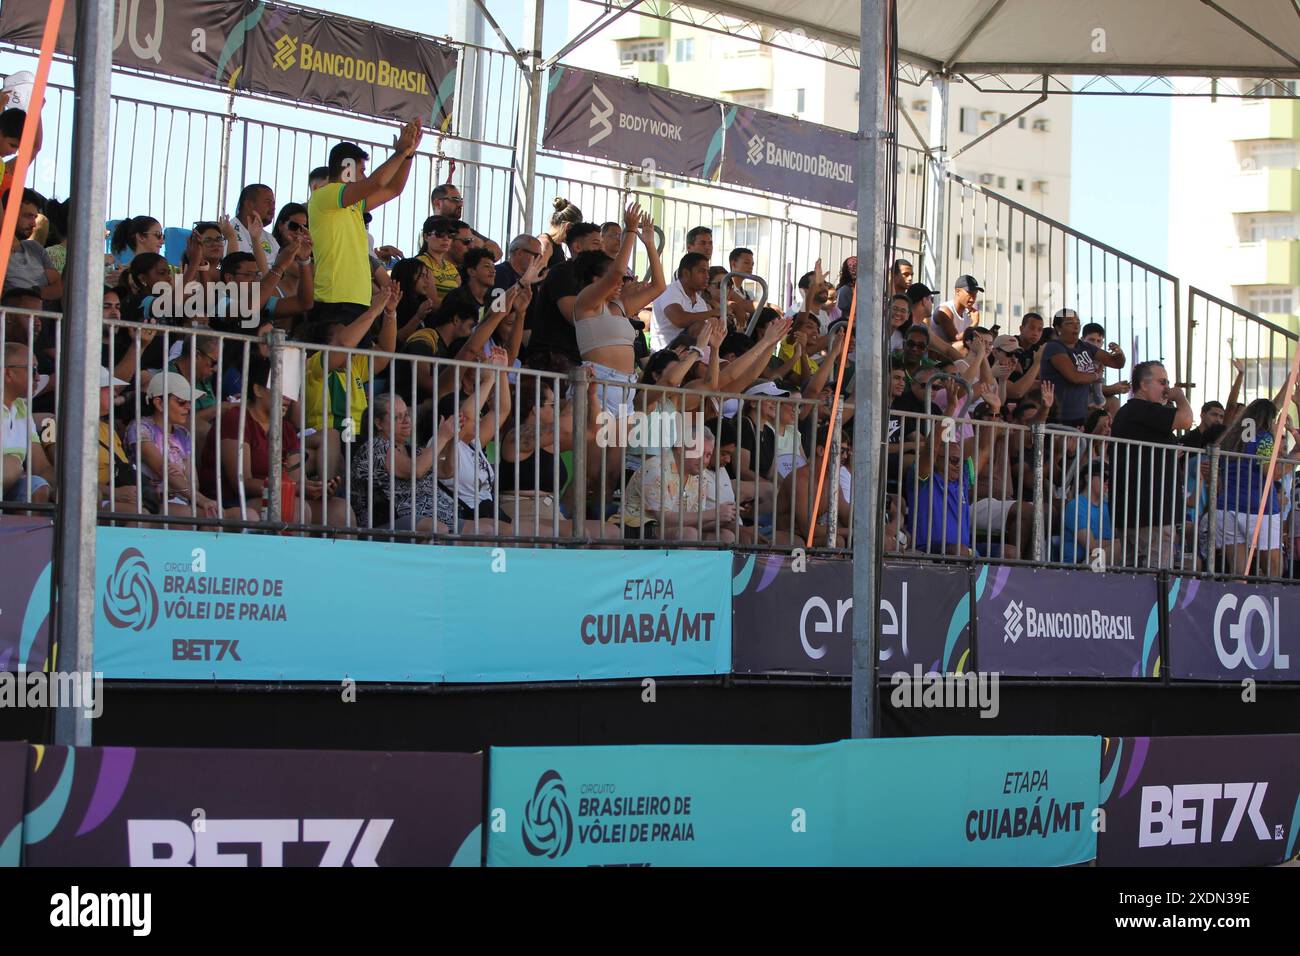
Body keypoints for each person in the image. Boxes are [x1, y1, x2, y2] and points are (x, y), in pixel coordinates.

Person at [199, 351, 349, 526]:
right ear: (258, 390)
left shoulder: (285, 428)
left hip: (279, 496)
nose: (288, 398)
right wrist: (293, 489)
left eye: (291, 391)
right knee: (295, 508)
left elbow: (295, 478)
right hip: (234, 503)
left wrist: (313, 489)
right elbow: (242, 483)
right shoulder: (236, 418)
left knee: (340, 510)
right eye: (281, 389)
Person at [307, 122, 422, 326]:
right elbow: (377, 183)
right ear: (347, 168)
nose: (365, 176)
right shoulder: (325, 195)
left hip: (358, 301)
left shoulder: (355, 204)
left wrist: (408, 155)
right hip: (334, 301)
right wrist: (400, 153)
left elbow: (394, 189)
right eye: (362, 170)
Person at [572, 204, 666, 416]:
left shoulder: (619, 306)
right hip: (599, 384)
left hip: (626, 387)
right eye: (616, 280)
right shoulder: (585, 302)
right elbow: (616, 273)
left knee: (616, 448)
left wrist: (650, 245)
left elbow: (659, 286)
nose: (621, 283)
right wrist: (630, 231)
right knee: (595, 447)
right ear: (595, 281)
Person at [1110, 360, 1194, 569]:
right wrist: (1180, 397)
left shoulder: (1133, 413)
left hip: (1137, 510)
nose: (1167, 388)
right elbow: (1185, 420)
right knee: (1155, 575)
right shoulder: (1141, 409)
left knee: (1134, 573)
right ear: (1144, 385)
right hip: (1150, 511)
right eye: (1162, 382)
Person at [125, 371, 230, 520]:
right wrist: (202, 500)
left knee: (246, 514)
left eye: (190, 402)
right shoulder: (141, 428)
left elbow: (194, 483)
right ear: (159, 403)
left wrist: (182, 476)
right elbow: (163, 469)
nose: (188, 407)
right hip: (152, 503)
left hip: (183, 501)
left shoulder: (183, 433)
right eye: (181, 402)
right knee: (205, 515)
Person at [351, 392, 457, 533]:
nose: (406, 421)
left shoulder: (411, 450)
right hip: (386, 524)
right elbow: (417, 470)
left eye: (406, 414)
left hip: (439, 516)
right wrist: (442, 437)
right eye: (397, 417)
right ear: (379, 423)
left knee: (488, 529)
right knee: (438, 530)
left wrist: (453, 439)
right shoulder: (376, 447)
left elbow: (447, 471)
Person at [1215, 395, 1297, 577]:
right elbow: (1272, 472)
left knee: (1238, 571)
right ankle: (1274, 604)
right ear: (1269, 419)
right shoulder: (1265, 438)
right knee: (1274, 570)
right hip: (1259, 508)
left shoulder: (1231, 438)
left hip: (1227, 507)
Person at [1039, 310, 1126, 428]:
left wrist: (1119, 354)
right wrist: (1095, 376)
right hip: (1058, 417)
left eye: (1078, 322)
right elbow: (1074, 376)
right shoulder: (1054, 347)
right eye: (1069, 323)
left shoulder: (1085, 347)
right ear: (1058, 328)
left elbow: (1116, 363)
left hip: (1080, 416)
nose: (1076, 326)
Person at [1, 342, 53, 502]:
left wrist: (72, 484)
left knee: (38, 486)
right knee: (11, 466)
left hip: (10, 486)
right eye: (33, 370)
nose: (38, 377)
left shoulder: (21, 408)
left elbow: (41, 467)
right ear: (8, 374)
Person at [2, 189, 61, 300]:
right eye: (28, 216)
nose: (33, 224)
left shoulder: (35, 248)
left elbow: (59, 286)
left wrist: (31, 295)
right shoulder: (4, 252)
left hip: (37, 314)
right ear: (8, 213)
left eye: (35, 217)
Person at [650, 252, 711, 351]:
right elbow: (679, 319)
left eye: (708, 272)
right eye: (701, 271)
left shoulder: (700, 302)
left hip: (691, 355)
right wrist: (712, 313)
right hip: (666, 357)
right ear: (686, 273)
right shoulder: (669, 291)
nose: (707, 276)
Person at [1058, 460, 1114, 565]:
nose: (1107, 482)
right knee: (1120, 547)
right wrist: (1115, 543)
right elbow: (1091, 546)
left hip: (1102, 566)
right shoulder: (1076, 506)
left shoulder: (1108, 507)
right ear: (1088, 478)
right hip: (1076, 567)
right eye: (1104, 477)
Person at [430, 182, 502, 261]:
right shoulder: (429, 231)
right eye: (455, 200)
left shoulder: (464, 228)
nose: (460, 204)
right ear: (437, 203)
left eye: (461, 200)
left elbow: (496, 251)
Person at [1080, 322, 1132, 415]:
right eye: (1091, 340)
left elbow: (1119, 363)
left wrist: (1119, 353)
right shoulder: (1079, 355)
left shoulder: (1099, 359)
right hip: (1079, 399)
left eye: (1099, 341)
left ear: (1102, 343)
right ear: (1082, 340)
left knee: (1114, 402)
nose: (1095, 344)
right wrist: (1113, 389)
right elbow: (1087, 387)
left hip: (1091, 399)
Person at [228, 183, 279, 263]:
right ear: (249, 204)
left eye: (273, 203)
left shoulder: (269, 238)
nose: (273, 208)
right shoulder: (229, 233)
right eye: (268, 202)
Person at [931, 275, 982, 344]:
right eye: (969, 293)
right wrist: (974, 324)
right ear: (957, 291)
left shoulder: (968, 314)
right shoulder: (945, 310)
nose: (973, 298)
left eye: (975, 293)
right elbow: (955, 340)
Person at [540, 197, 583, 271]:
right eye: (576, 230)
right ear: (568, 227)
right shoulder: (546, 244)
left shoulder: (556, 244)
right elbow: (536, 275)